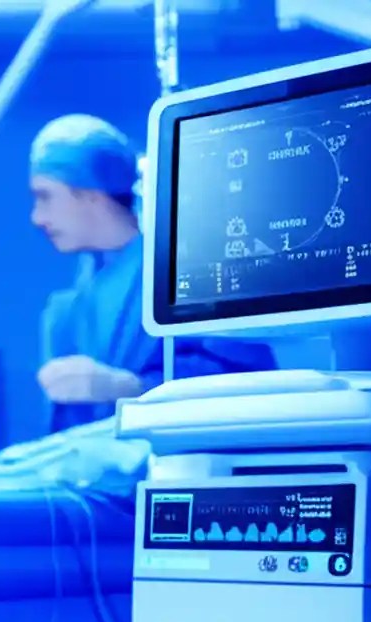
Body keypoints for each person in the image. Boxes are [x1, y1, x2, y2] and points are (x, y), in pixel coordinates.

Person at [30, 114, 276, 432]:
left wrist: (128, 387)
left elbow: (245, 384)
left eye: (45, 196)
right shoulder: (79, 297)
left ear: (91, 192)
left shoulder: (185, 269)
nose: (37, 217)